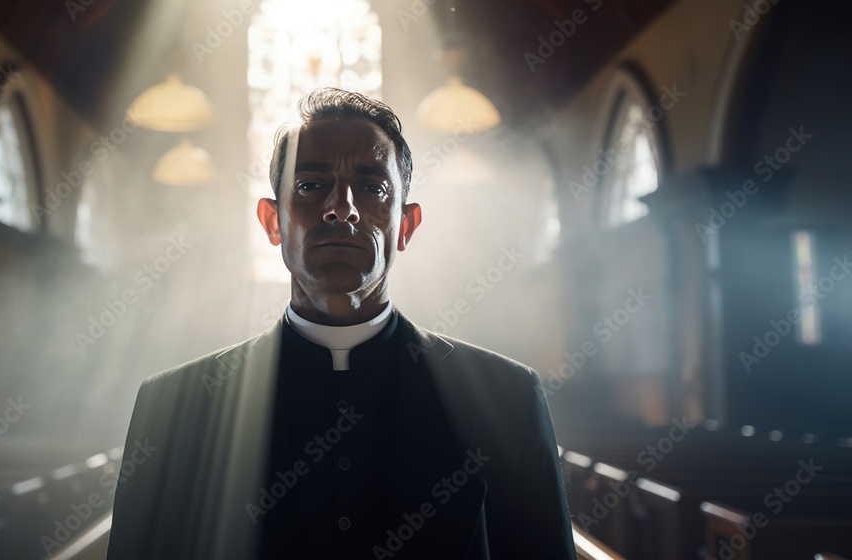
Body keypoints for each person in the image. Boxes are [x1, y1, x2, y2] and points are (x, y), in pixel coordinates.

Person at [106, 88, 575, 560]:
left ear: (406, 226)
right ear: (271, 222)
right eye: (310, 186)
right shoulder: (172, 408)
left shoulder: (506, 400)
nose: (341, 207)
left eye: (372, 188)